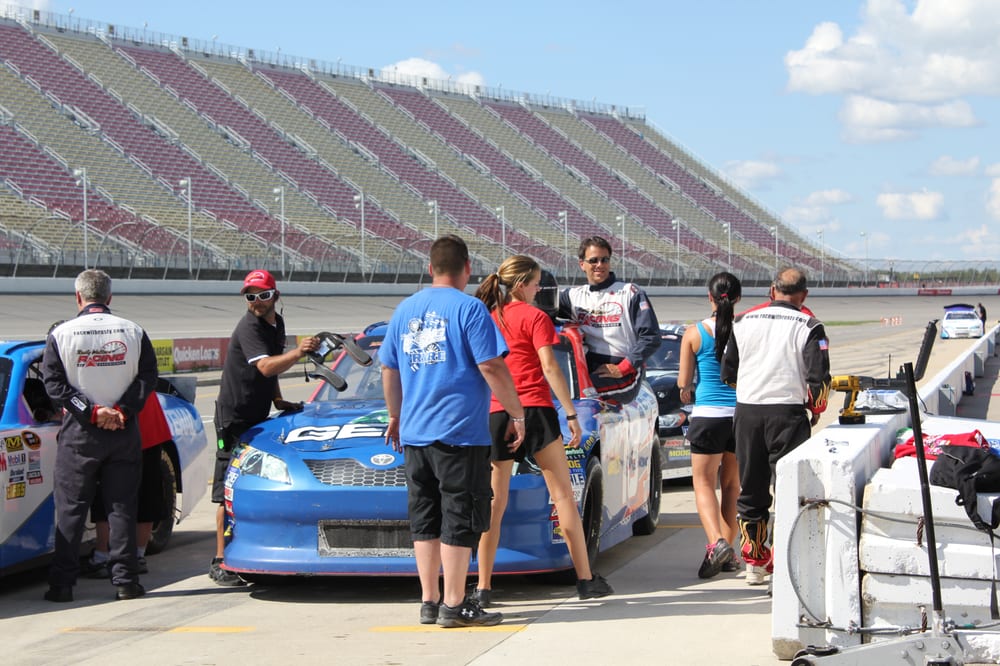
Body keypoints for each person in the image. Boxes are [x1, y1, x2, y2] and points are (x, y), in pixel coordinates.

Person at [380, 235, 526, 628]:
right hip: (458, 433)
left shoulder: (405, 310)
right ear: (466, 269)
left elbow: (389, 369)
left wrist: (395, 416)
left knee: (425, 517)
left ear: (430, 268)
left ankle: (429, 600)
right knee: (459, 516)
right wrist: (517, 413)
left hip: (415, 434)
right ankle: (455, 603)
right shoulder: (471, 309)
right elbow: (492, 366)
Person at [473, 256, 613, 605]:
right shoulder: (535, 317)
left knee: (495, 502)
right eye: (536, 283)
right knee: (563, 495)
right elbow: (550, 366)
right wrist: (570, 413)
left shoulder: (489, 317)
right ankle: (584, 578)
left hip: (498, 412)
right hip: (535, 408)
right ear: (521, 284)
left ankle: (483, 586)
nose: (539, 289)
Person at [41, 269, 158, 602]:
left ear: (78, 297)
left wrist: (92, 412)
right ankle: (125, 582)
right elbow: (149, 376)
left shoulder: (62, 333)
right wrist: (122, 409)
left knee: (71, 510)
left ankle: (62, 585)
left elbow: (54, 386)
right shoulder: (133, 330)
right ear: (109, 297)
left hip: (80, 433)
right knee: (121, 507)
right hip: (123, 428)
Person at [720, 267, 831, 586]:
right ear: (804, 295)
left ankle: (754, 562)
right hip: (788, 414)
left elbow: (728, 373)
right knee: (791, 488)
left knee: (751, 490)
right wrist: (816, 408)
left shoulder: (741, 321)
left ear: (772, 290)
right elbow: (819, 377)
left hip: (748, 413)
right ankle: (790, 561)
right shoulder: (810, 324)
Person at [211, 269, 319, 586]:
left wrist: (277, 398)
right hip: (234, 417)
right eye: (250, 297)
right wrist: (299, 352)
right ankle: (219, 560)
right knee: (225, 488)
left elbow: (270, 372)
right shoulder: (249, 327)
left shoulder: (278, 323)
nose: (256, 302)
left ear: (275, 295)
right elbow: (266, 365)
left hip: (257, 416)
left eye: (262, 295)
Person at [677, 272, 742, 579]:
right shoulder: (744, 331)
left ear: (709, 297)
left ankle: (716, 543)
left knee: (704, 483)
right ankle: (729, 552)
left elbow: (683, 382)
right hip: (740, 415)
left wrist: (687, 387)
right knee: (732, 486)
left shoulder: (694, 332)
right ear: (738, 299)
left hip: (708, 415)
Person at [557, 236, 660, 404]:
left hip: (625, 371)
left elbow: (651, 337)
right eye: (593, 260)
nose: (600, 265)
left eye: (604, 260)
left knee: (579, 393)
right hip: (588, 366)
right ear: (582, 264)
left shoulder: (630, 292)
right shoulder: (572, 296)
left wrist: (624, 367)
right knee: (554, 388)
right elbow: (538, 308)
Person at [82, 391, 173, 578]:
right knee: (146, 491)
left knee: (109, 493)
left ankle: (103, 555)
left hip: (117, 420)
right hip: (142, 420)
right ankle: (137, 555)